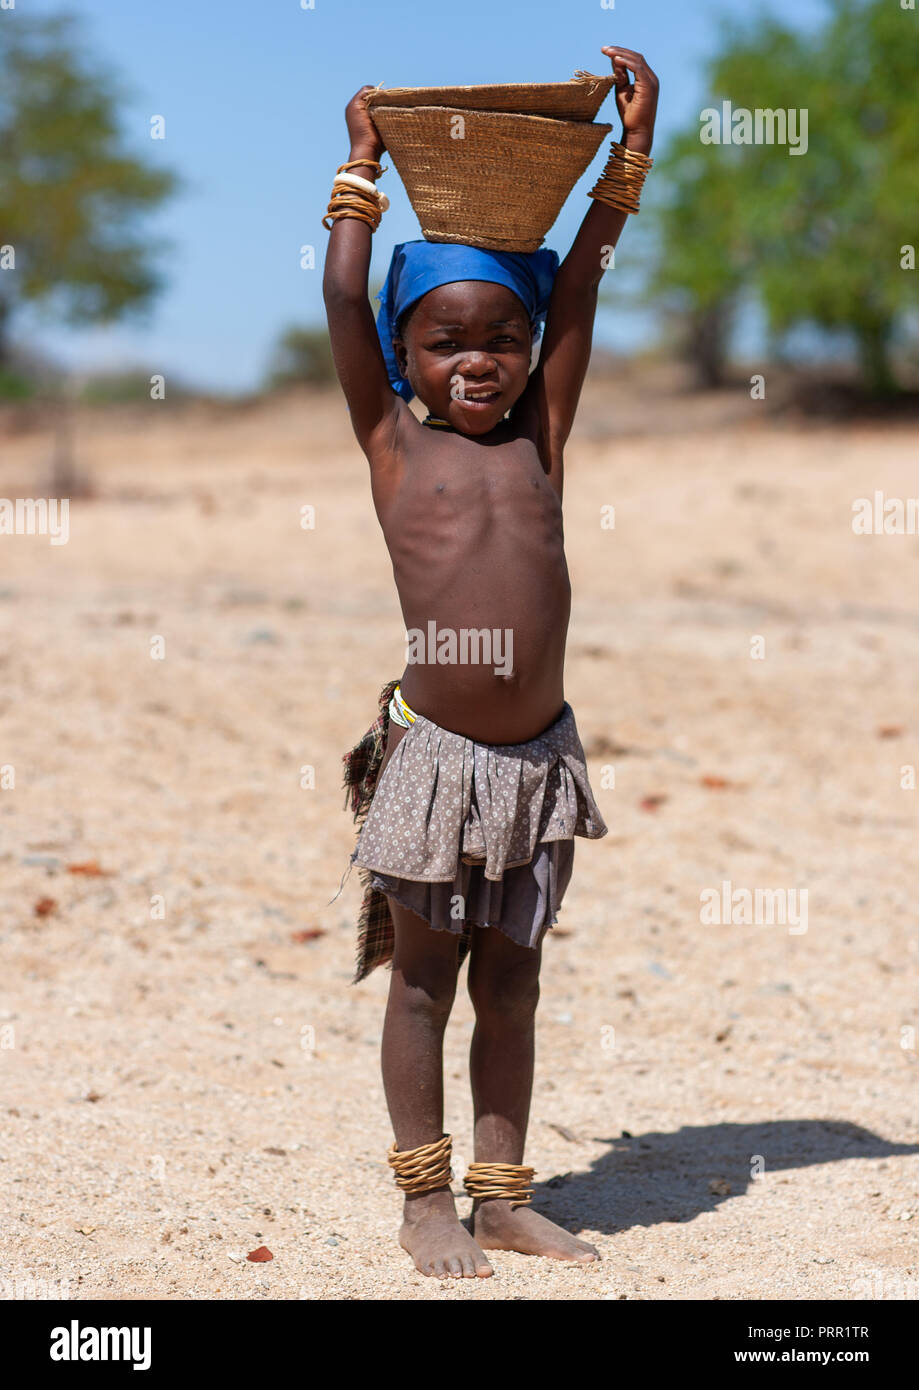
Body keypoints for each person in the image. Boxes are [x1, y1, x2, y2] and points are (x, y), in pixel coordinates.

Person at [324, 45, 659, 1279]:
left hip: (536, 760)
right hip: (436, 757)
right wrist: (357, 179)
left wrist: (626, 162)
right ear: (402, 358)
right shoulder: (393, 449)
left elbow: (581, 290)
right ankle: (423, 1202)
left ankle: (503, 1194)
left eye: (501, 338)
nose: (478, 360)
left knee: (510, 985)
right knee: (422, 985)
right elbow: (339, 307)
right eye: (444, 341)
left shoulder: (541, 441)